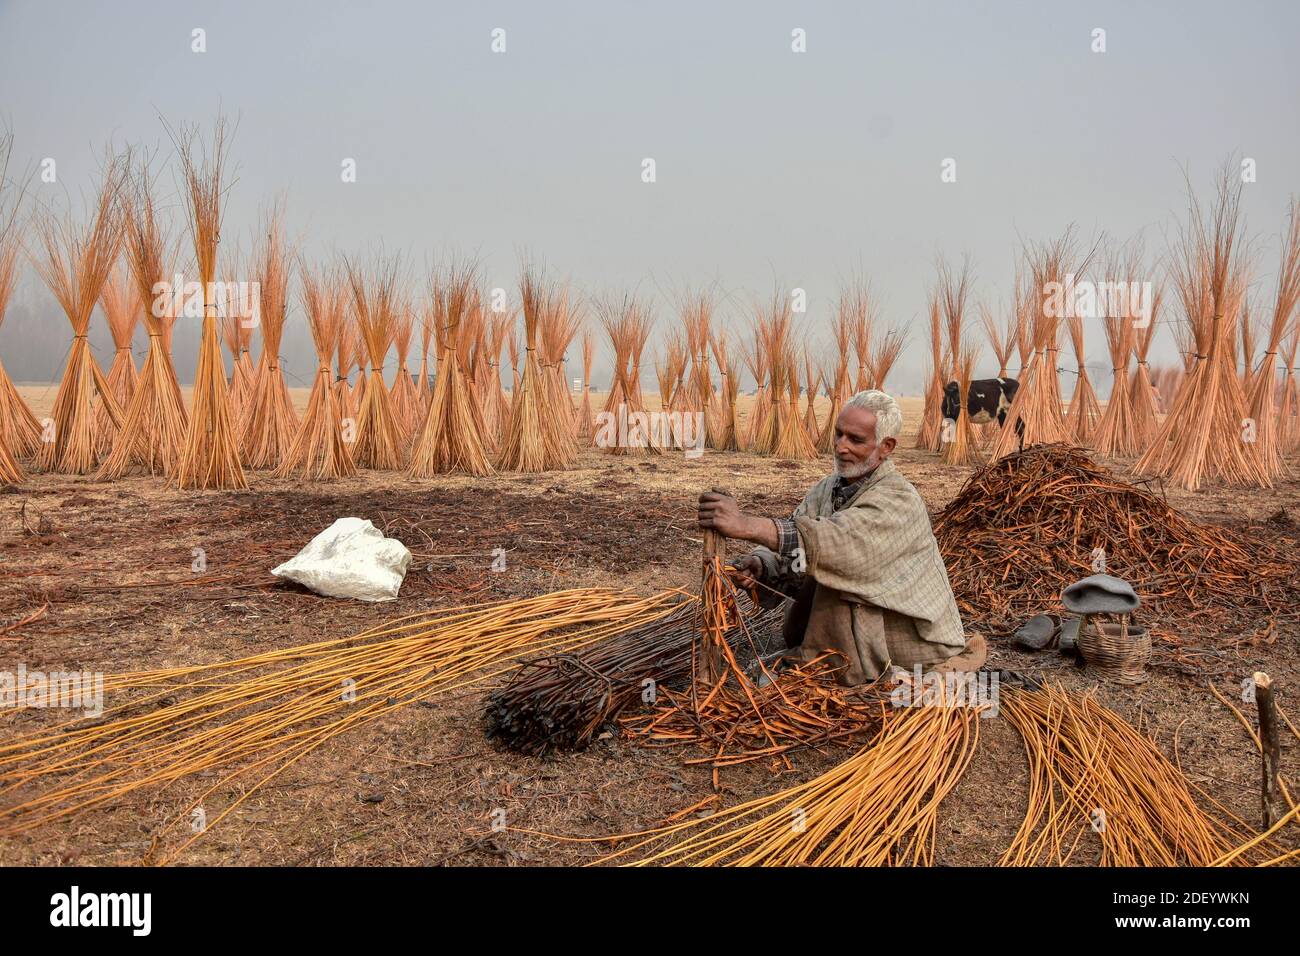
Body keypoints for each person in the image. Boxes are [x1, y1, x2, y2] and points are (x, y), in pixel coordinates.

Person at [697, 389, 986, 686]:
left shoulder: (899, 499)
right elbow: (796, 530)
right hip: (867, 630)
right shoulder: (828, 488)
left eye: (855, 439)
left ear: (886, 446)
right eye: (838, 434)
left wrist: (746, 525)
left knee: (838, 573)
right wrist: (762, 564)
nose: (840, 446)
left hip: (910, 640)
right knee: (818, 566)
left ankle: (829, 665)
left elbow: (838, 546)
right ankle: (821, 655)